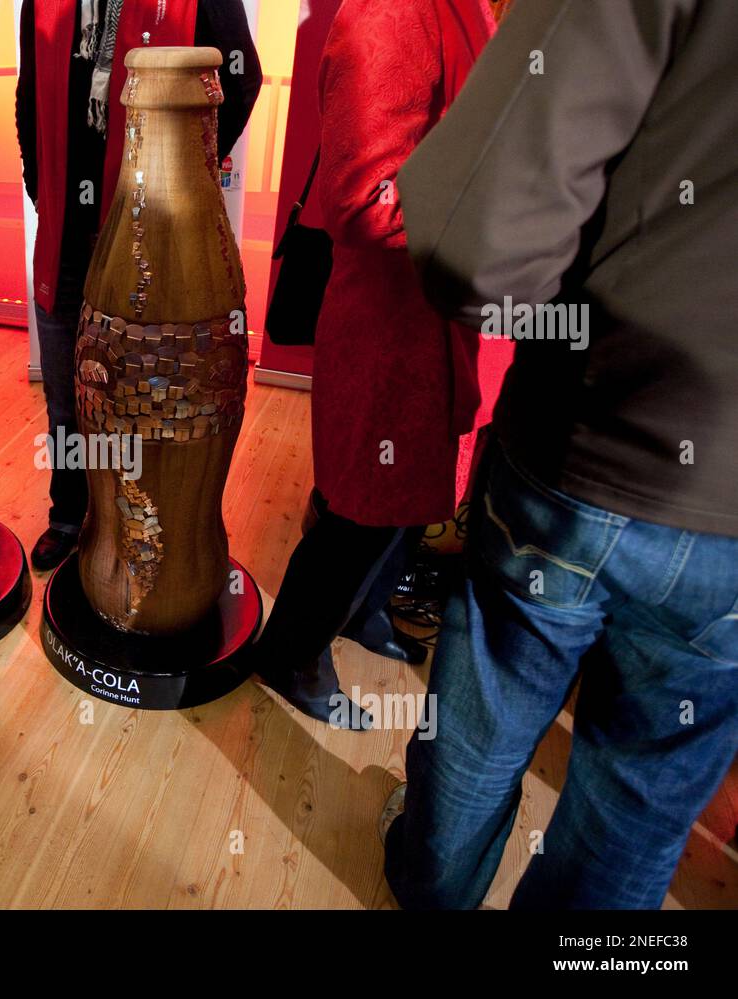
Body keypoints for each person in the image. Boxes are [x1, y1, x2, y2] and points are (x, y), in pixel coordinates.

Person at [384, 0, 738, 908]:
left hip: (594, 445)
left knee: (483, 721)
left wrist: (561, 317)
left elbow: (479, 245)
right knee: (640, 803)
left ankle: (430, 889)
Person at [253, 0, 507, 727]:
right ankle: (292, 652)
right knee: (358, 511)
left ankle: (359, 615)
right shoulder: (392, 13)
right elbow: (367, 198)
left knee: (397, 504)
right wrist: (506, 224)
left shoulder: (460, 9)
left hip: (431, 318)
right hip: (391, 329)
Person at [15, 0, 262, 572]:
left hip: (151, 226)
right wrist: (38, 186)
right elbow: (29, 97)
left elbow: (239, 77)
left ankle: (139, 527)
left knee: (146, 400)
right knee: (66, 396)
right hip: (66, 234)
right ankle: (70, 515)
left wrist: (185, 166)